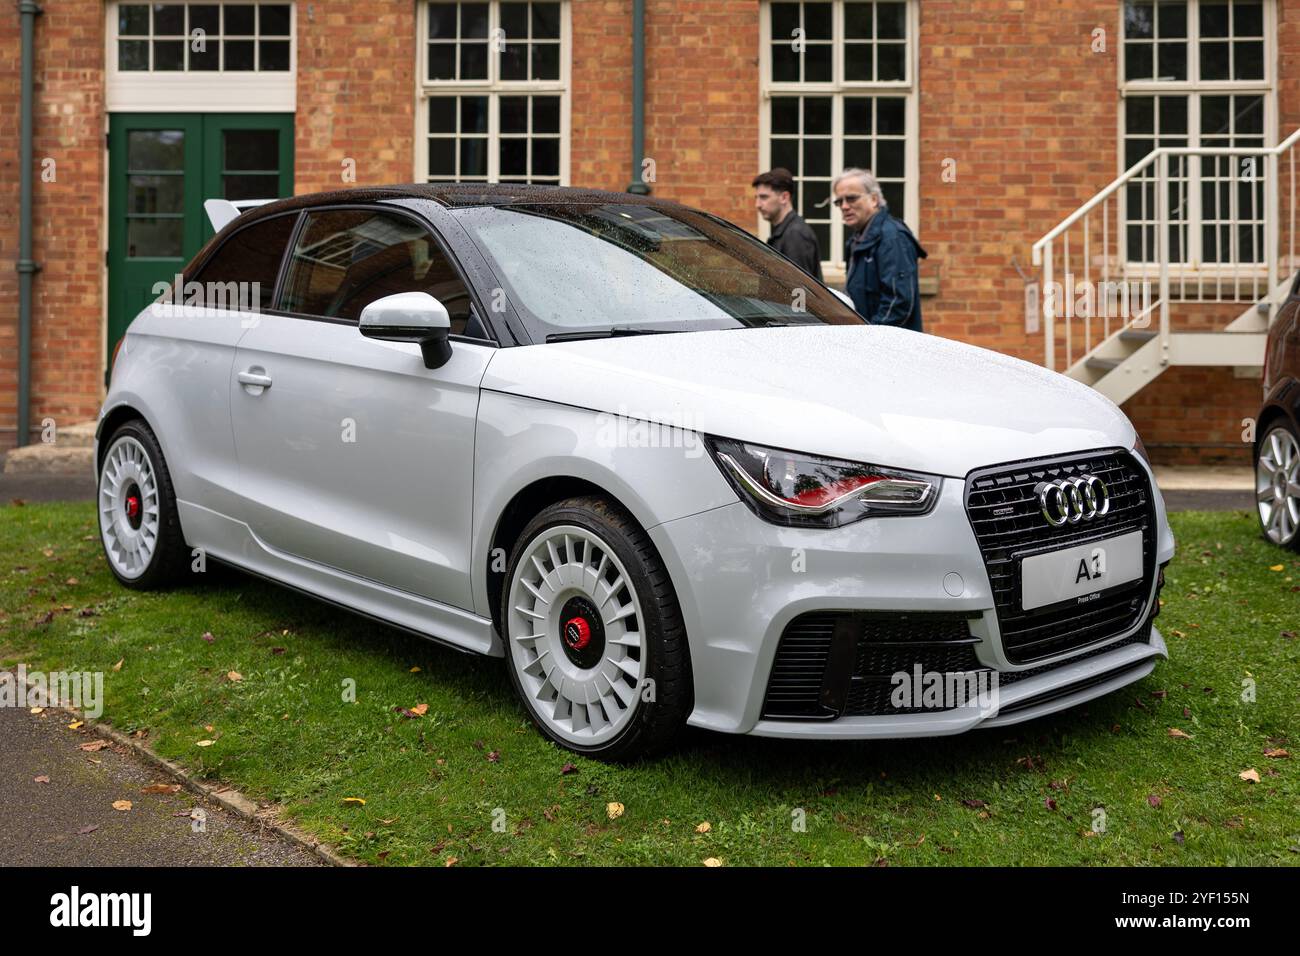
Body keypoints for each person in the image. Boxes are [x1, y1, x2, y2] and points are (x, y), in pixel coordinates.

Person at [834, 168, 926, 332]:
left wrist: (871, 335)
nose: (845, 206)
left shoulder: (892, 237)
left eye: (851, 198)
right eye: (839, 202)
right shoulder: (857, 240)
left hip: (891, 348)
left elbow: (898, 302)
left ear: (874, 199)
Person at [752, 168, 823, 281]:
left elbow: (800, 289)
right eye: (756, 198)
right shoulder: (784, 231)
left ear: (784, 197)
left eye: (764, 197)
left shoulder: (795, 234)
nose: (758, 205)